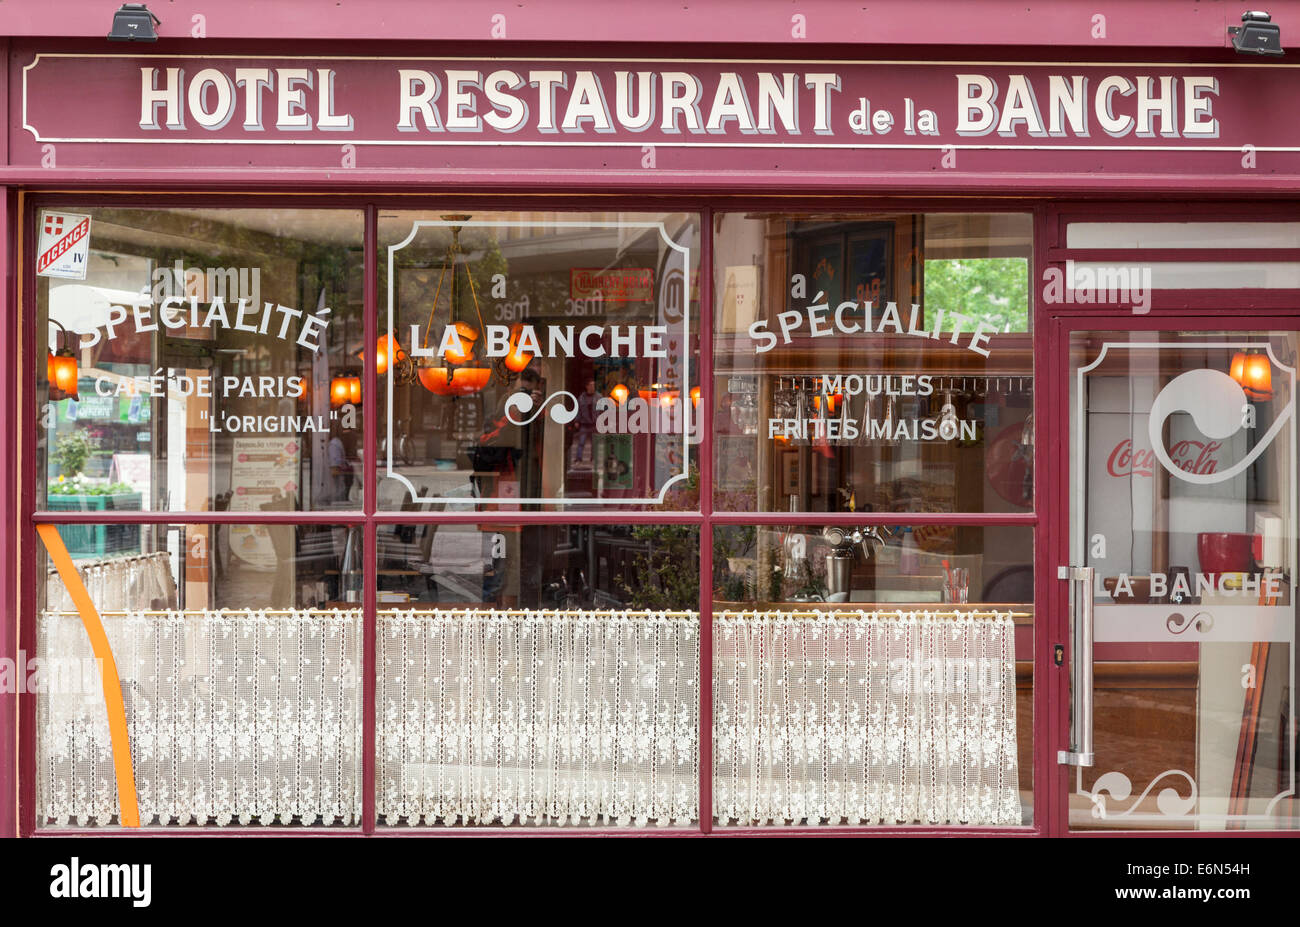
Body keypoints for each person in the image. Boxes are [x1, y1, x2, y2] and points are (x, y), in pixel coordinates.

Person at [571, 378, 597, 469]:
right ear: (587, 387)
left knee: (594, 442)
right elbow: (578, 410)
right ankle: (578, 459)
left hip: (594, 423)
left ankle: (593, 458)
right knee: (581, 442)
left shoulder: (598, 397)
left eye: (594, 385)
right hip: (584, 423)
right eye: (591, 385)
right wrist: (577, 421)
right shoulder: (582, 397)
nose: (593, 387)